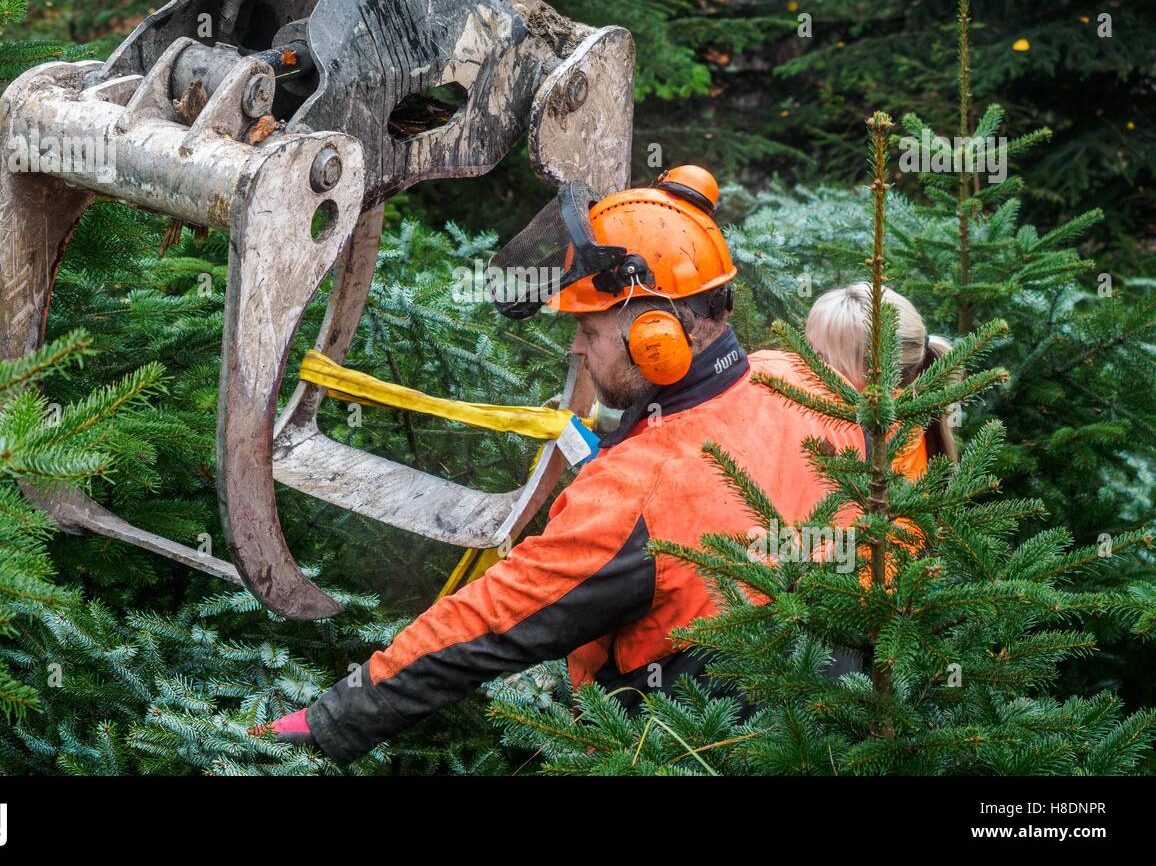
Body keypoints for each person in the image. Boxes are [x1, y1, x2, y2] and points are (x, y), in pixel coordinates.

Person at [259, 166, 866, 764]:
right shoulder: (803, 379)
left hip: (691, 744)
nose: (576, 348)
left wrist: (330, 718)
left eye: (589, 331)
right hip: (856, 718)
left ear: (656, 337)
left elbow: (493, 617)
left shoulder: (636, 494)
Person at [804, 283, 959, 476]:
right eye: (808, 349)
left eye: (825, 360)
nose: (806, 365)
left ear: (879, 375)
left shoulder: (895, 441)